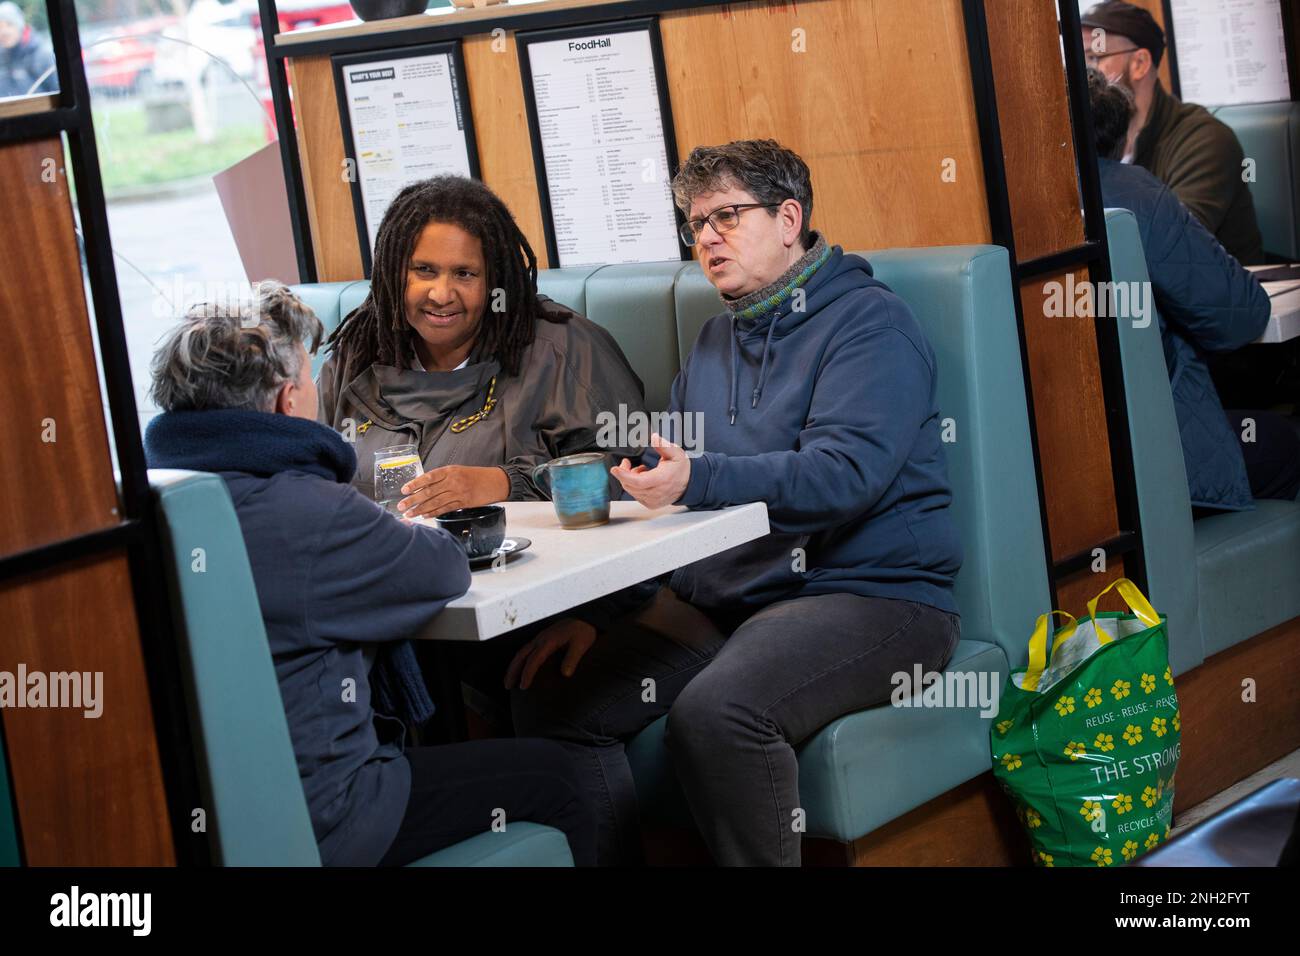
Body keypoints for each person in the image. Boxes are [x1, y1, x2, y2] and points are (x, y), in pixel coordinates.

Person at [505, 140, 963, 866]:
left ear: (790, 218)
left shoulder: (871, 325)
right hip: (730, 603)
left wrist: (702, 479)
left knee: (720, 714)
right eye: (695, 224)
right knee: (554, 701)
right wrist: (605, 612)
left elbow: (843, 476)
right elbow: (674, 505)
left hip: (872, 597)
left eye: (726, 216)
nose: (707, 238)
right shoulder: (717, 340)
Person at [145, 282, 596, 867]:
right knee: (555, 774)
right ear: (288, 402)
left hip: (193, 819)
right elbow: (439, 569)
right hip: (328, 816)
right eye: (310, 379)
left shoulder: (148, 509)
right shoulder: (308, 510)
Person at [317, 175, 645, 518]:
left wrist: (505, 483)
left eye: (465, 274)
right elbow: (302, 470)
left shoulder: (564, 349)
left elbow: (628, 475)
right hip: (377, 565)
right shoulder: (357, 354)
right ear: (393, 273)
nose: (442, 295)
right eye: (424, 270)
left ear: (495, 280)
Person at [1088, 68, 1300, 508]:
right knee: (1284, 441)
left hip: (1054, 464)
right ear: (1124, 140)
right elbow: (1240, 318)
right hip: (1148, 457)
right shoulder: (1134, 195)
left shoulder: (997, 200)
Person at [1079, 0, 1263, 265]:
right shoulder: (1100, 140)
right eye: (1078, 58)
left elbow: (1173, 246)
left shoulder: (1204, 139)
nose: (1084, 71)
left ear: (1140, 63)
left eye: (1094, 56)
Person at [0, 2, 56, 99]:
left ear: (20, 26)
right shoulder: (1, 59)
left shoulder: (42, 56)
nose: (4, 31)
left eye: (9, 25)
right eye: (0, 27)